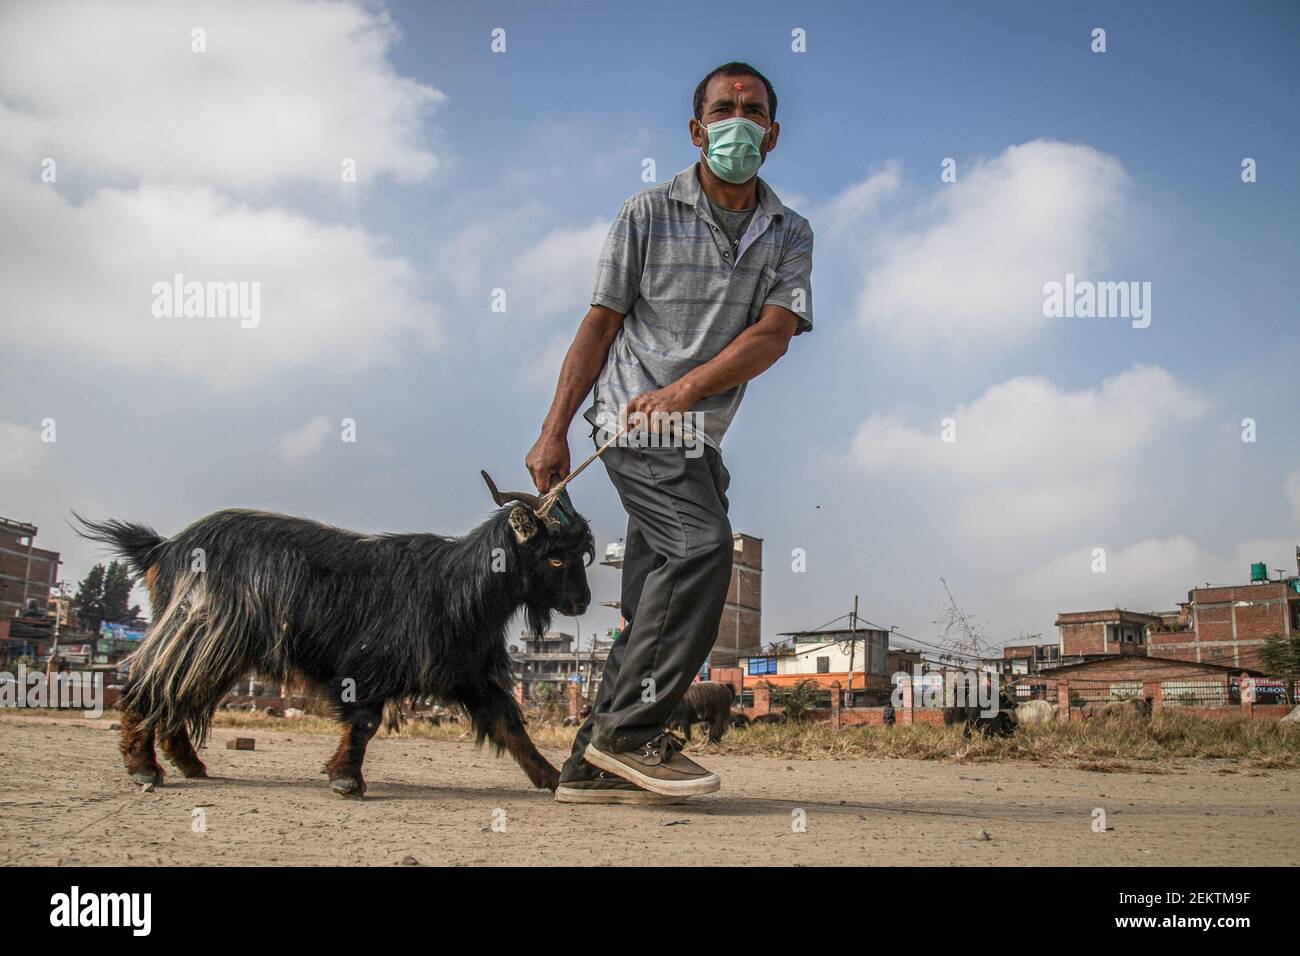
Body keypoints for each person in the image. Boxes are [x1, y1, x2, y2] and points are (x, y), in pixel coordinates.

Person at [526, 61, 814, 804]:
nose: (738, 123)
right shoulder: (645, 214)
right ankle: (629, 733)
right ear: (697, 129)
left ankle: (589, 764)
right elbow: (600, 325)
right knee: (702, 547)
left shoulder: (788, 233)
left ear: (773, 135)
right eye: (725, 110)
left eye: (753, 111)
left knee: (651, 592)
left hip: (698, 437)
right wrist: (553, 431)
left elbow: (774, 335)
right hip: (630, 423)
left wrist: (685, 391)